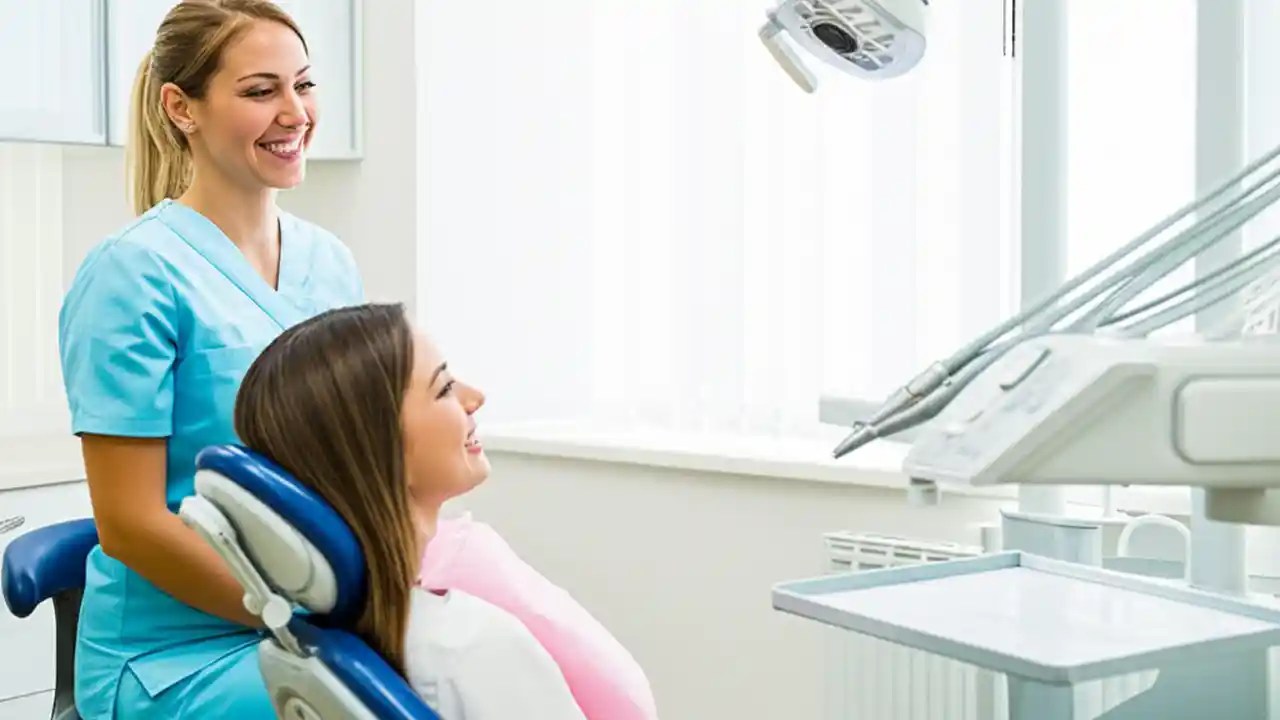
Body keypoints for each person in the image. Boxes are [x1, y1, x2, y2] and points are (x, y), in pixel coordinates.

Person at [57, 1, 363, 717]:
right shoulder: (132, 273)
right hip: (170, 656)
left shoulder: (331, 264)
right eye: (260, 91)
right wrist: (301, 618)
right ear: (181, 108)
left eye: (304, 84)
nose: (295, 113)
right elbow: (130, 524)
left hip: (306, 618)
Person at [234, 303, 660, 720]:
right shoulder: (471, 647)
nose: (475, 398)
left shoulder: (326, 635)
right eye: (443, 389)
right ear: (381, 449)